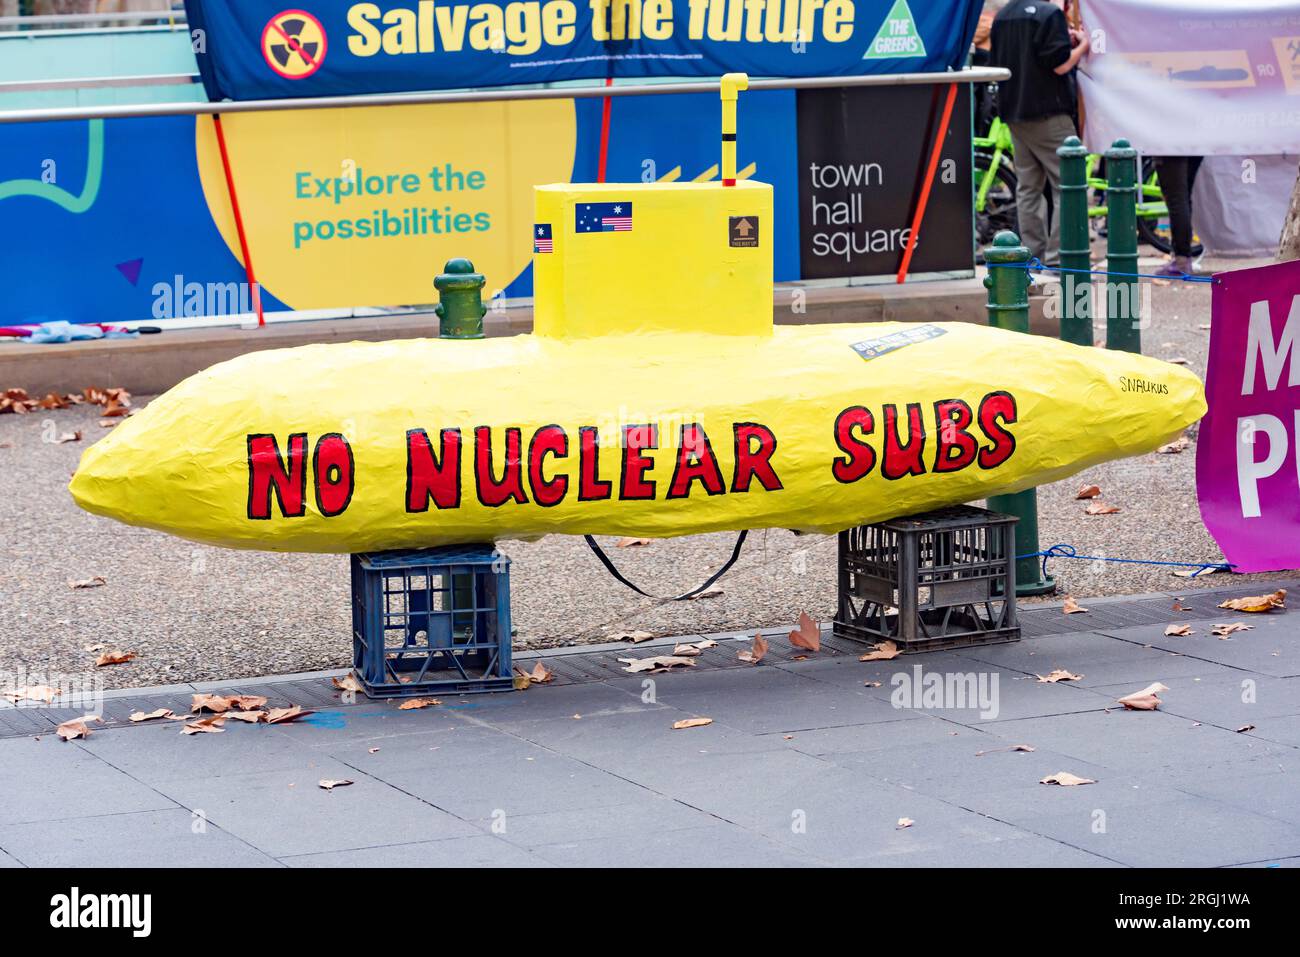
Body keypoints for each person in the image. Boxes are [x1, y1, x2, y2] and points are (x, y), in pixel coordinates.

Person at [989, 0, 1091, 267]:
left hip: (1014, 111)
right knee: (1068, 185)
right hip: (1049, 112)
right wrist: (1083, 46)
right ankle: (1060, 258)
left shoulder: (1002, 16)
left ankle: (1033, 255)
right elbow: (1059, 65)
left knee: (1028, 187)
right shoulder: (1050, 14)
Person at [1152, 157, 1203, 276]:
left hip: (1170, 147)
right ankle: (1184, 259)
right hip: (1195, 144)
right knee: (1184, 197)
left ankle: (1182, 261)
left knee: (1177, 199)